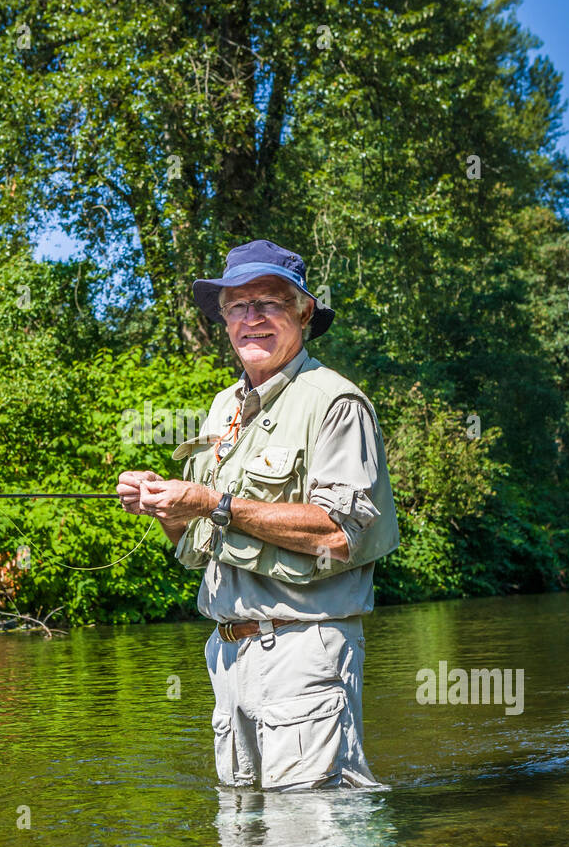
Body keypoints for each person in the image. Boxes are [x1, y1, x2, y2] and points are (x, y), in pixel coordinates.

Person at [117, 239, 399, 790]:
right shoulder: (225, 407)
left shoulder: (336, 404)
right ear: (224, 321)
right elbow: (195, 545)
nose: (252, 319)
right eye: (237, 307)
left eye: (268, 303)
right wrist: (164, 506)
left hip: (304, 651)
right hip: (227, 657)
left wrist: (212, 502)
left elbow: (339, 535)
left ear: (304, 312)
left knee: (313, 841)